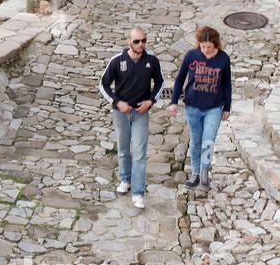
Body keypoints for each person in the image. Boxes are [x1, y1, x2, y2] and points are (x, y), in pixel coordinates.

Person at [99, 26, 163, 210]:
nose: (141, 44)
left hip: (141, 113)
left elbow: (160, 83)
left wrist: (150, 102)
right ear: (129, 42)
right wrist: (117, 102)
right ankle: (125, 179)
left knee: (140, 153)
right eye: (137, 41)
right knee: (123, 149)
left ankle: (138, 192)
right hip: (121, 112)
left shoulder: (152, 61)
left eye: (143, 40)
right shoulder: (117, 61)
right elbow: (103, 85)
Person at [168, 25, 232, 189]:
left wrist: (227, 107)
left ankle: (204, 171)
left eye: (208, 46)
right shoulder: (191, 55)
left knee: (208, 141)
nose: (205, 49)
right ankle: (195, 173)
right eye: (202, 46)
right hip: (192, 106)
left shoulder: (223, 58)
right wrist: (174, 102)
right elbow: (180, 79)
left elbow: (226, 84)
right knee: (196, 142)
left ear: (215, 44)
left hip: (214, 107)